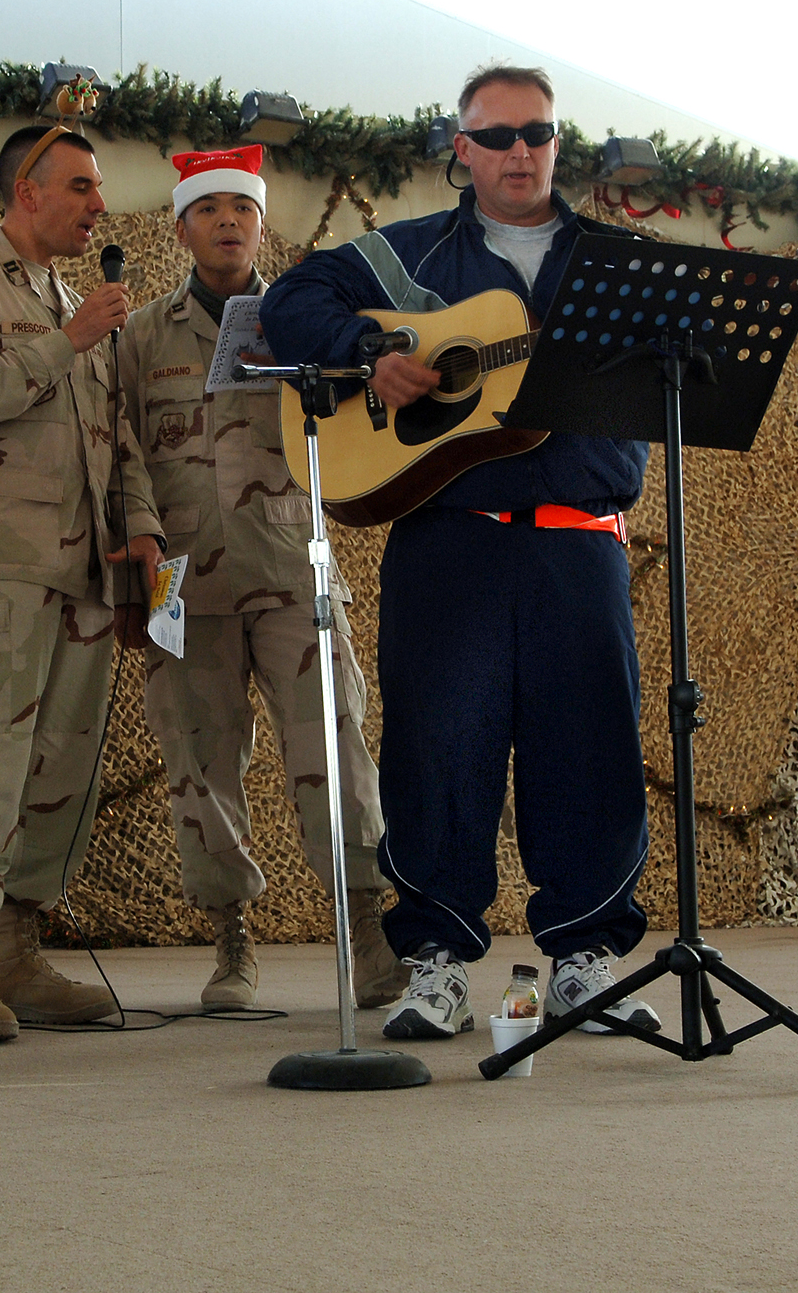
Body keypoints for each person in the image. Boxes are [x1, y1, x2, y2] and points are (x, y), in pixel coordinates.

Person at [258, 65, 663, 1042]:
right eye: (499, 136)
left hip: (582, 544)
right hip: (450, 543)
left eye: (539, 133)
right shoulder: (408, 258)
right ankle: (434, 966)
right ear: (461, 151)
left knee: (592, 753)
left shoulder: (616, 261)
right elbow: (292, 300)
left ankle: (583, 961)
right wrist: (366, 348)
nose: (521, 152)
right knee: (440, 750)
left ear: (558, 144)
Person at [114, 146, 401, 1012]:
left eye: (242, 207)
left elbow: (361, 428)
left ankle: (370, 925)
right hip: (185, 581)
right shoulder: (141, 336)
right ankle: (231, 941)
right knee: (199, 763)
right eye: (209, 209)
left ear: (262, 221)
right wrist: (135, 533)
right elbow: (119, 448)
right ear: (180, 226)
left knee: (335, 748)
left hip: (289, 567)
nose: (228, 222)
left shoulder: (304, 318)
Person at [0, 124, 165, 1043]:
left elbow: (112, 432)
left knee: (57, 770)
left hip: (81, 574)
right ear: (28, 191)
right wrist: (67, 339)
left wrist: (141, 531)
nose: (100, 205)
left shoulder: (70, 301)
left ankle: (15, 954)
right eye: (83, 187)